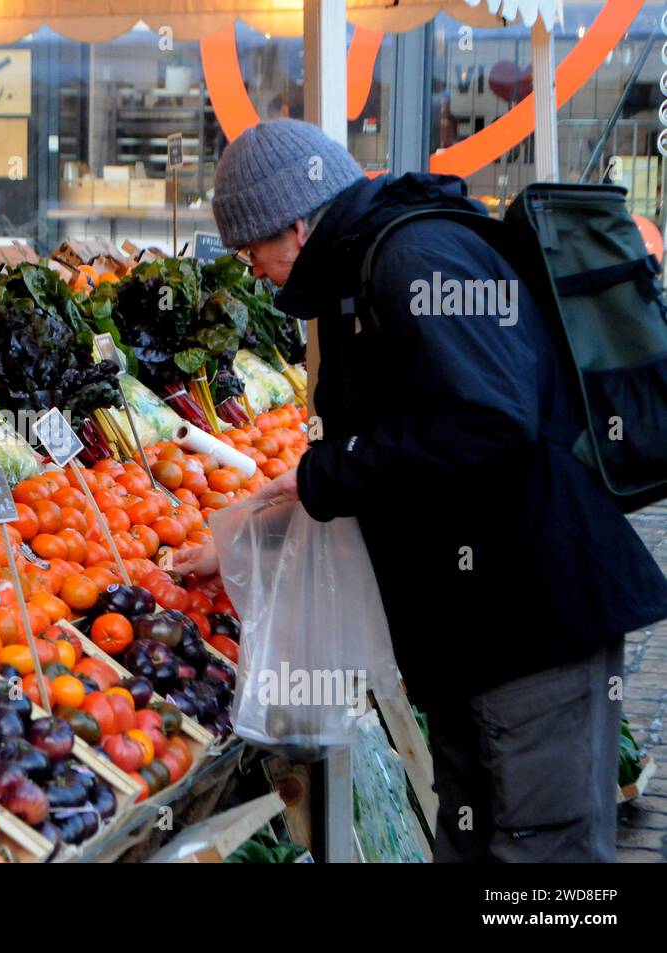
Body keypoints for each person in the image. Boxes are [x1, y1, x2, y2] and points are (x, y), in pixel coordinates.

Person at [174, 118, 667, 862]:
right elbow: (405, 434)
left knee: (542, 852)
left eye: (255, 252)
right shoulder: (368, 269)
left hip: (531, 617)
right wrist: (269, 525)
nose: (258, 272)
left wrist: (325, 474)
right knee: (478, 836)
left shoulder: (414, 256)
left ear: (298, 226)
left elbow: (486, 418)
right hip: (474, 630)